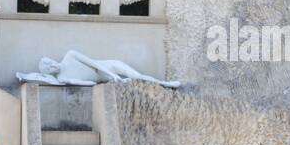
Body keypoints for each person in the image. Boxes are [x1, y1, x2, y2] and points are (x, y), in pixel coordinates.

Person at [16, 50, 180, 88]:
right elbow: (89, 84)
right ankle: (164, 85)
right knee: (133, 80)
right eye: (50, 68)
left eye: (50, 62)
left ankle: (164, 83)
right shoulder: (62, 79)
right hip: (104, 79)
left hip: (107, 66)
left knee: (137, 75)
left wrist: (112, 75)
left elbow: (93, 64)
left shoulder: (70, 54)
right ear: (50, 73)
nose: (53, 65)